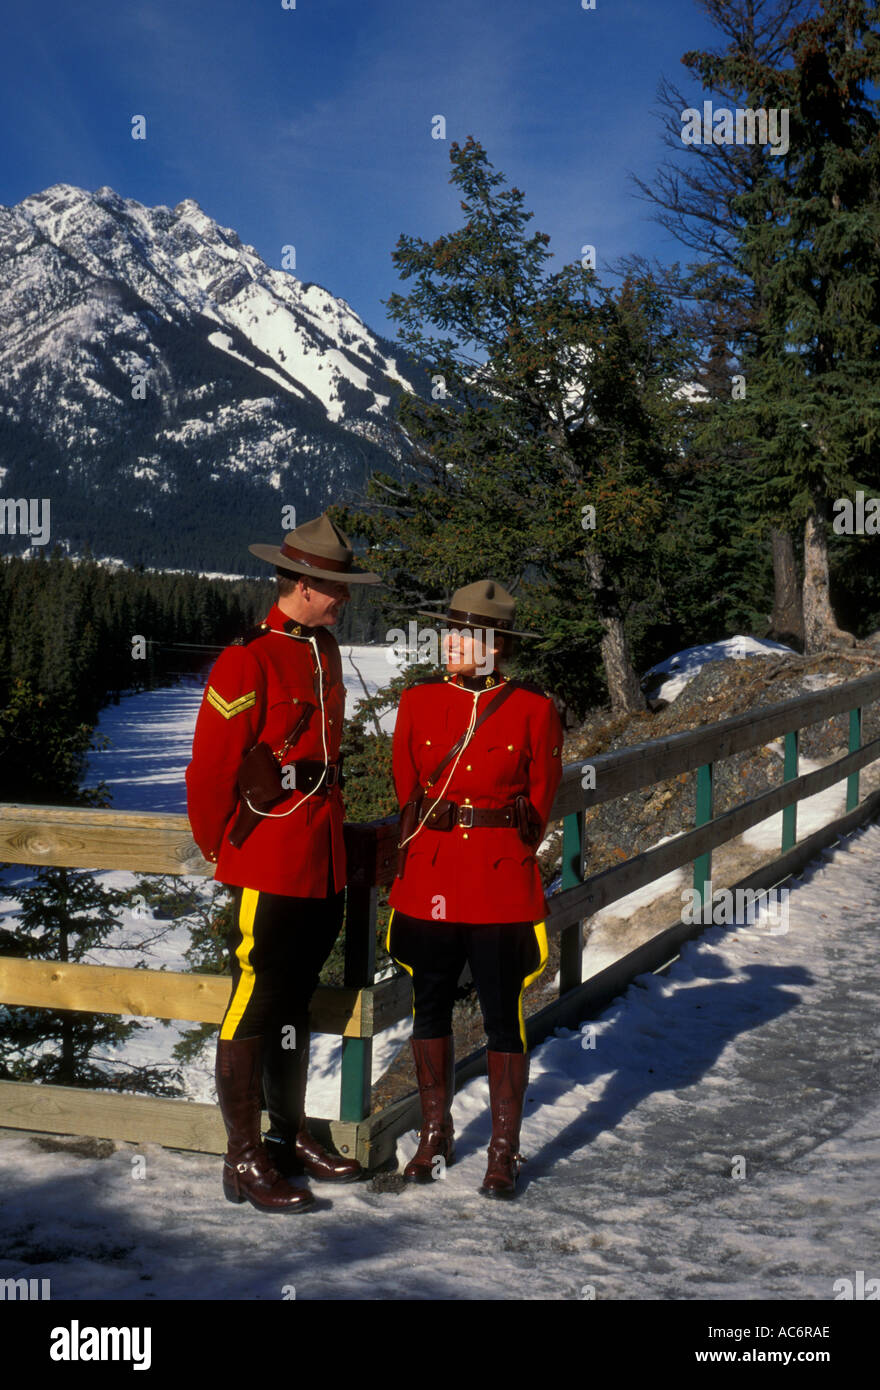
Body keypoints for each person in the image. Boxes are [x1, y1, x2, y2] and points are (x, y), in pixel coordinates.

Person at [186, 512, 380, 1213]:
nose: (344, 600)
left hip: (320, 856)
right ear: (302, 583)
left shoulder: (324, 650)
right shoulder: (249, 658)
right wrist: (220, 849)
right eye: (336, 588)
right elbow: (211, 768)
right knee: (254, 998)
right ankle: (242, 1157)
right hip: (266, 858)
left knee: (295, 1000)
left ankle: (287, 1137)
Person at [387, 580, 563, 1198]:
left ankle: (504, 1148)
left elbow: (540, 800)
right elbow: (406, 785)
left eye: (467, 634)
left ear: (498, 645)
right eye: (450, 630)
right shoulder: (417, 702)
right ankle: (435, 1132)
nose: (452, 643)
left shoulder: (534, 709)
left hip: (498, 881)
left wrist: (502, 844)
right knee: (428, 1003)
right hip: (431, 873)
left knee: (503, 1015)